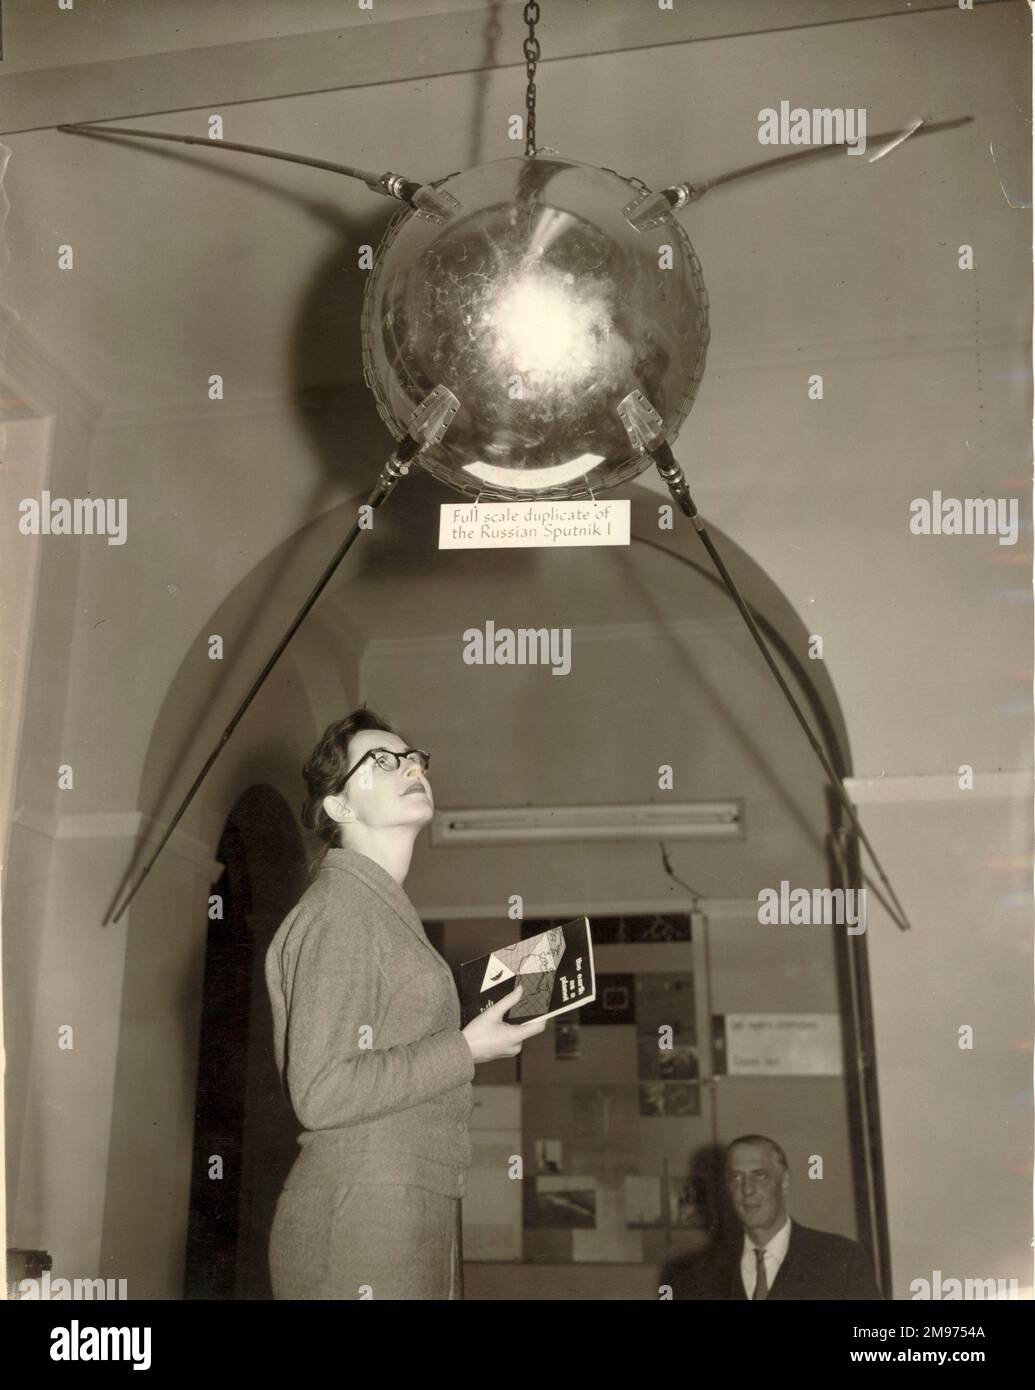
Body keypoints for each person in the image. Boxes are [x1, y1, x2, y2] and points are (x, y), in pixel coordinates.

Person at [265, 707, 546, 1299]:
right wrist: (466, 1047)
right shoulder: (342, 910)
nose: (411, 767)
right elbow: (323, 1091)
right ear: (339, 807)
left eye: (414, 757)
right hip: (365, 1208)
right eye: (383, 762)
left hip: (404, 1202)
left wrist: (469, 1034)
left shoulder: (377, 909)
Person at [686, 1134, 883, 1300]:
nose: (747, 1189)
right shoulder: (703, 1272)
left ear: (785, 1182)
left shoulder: (843, 1259)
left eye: (759, 1175)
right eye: (736, 1177)